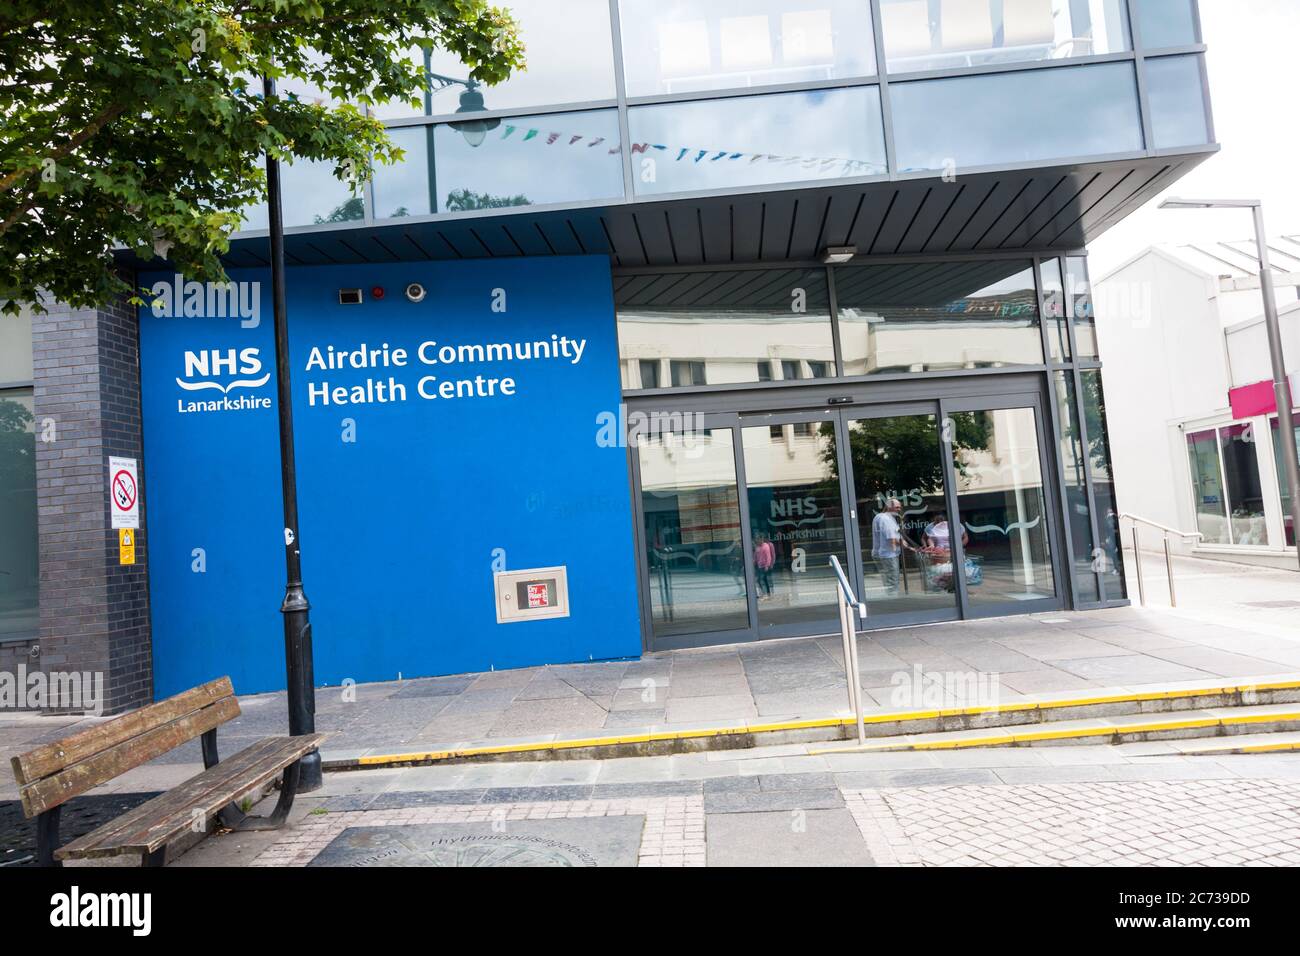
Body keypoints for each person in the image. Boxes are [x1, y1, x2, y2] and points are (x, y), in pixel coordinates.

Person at [871, 498, 908, 595]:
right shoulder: (885, 519)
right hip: (888, 554)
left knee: (889, 580)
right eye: (896, 507)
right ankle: (893, 600)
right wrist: (905, 545)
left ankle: (890, 597)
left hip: (884, 553)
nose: (899, 509)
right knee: (892, 581)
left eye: (900, 507)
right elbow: (891, 538)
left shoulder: (884, 517)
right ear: (889, 507)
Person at [753, 532, 776, 598]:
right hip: (759, 566)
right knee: (763, 579)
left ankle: (766, 593)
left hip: (764, 566)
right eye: (756, 539)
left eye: (758, 539)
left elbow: (768, 557)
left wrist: (767, 565)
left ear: (761, 539)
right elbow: (755, 556)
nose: (757, 540)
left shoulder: (766, 546)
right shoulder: (757, 547)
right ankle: (766, 593)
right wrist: (753, 562)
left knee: (762, 579)